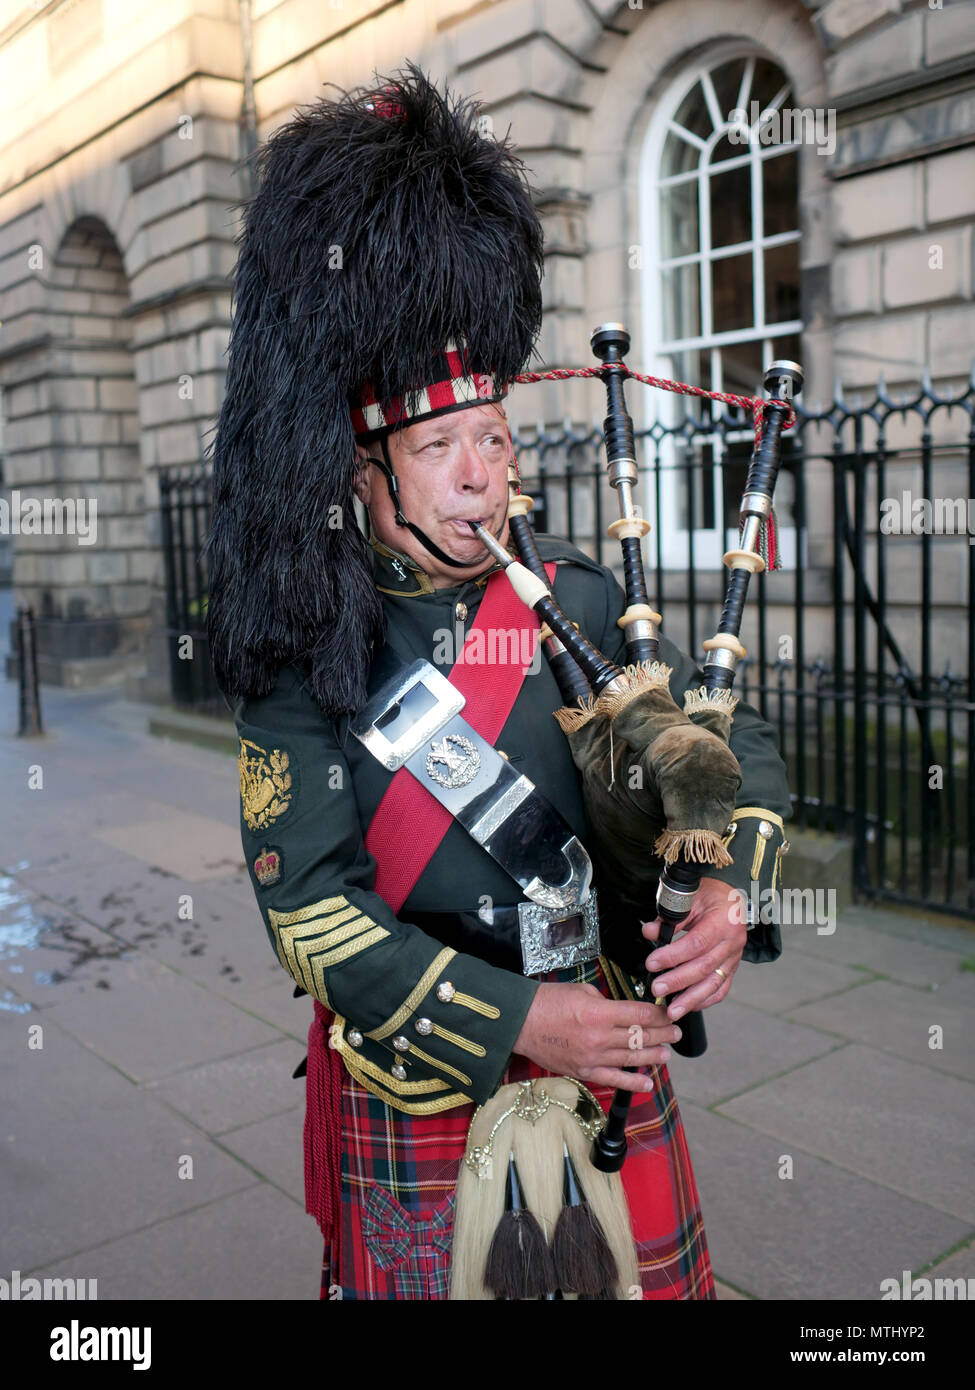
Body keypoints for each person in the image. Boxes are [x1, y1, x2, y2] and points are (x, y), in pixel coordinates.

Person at [206, 65, 791, 1300]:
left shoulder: (579, 597)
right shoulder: (305, 651)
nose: (480, 475)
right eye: (437, 447)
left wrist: (726, 883)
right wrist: (518, 1019)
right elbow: (311, 916)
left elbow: (730, 750)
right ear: (365, 471)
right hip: (429, 1068)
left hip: (611, 1060)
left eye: (496, 436)